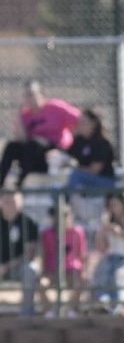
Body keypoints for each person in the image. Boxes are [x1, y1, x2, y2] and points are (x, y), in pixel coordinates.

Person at [0, 80, 80, 189]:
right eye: (26, 95)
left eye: (32, 94)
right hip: (33, 154)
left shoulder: (56, 107)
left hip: (54, 150)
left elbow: (80, 121)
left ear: (41, 94)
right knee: (12, 146)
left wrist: (72, 145)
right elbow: (22, 140)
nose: (29, 98)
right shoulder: (25, 115)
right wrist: (19, 115)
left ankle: (20, 183)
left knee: (35, 143)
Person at [39, 200, 88, 318]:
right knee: (41, 284)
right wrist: (43, 273)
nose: (63, 219)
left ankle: (71, 309)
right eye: (59, 216)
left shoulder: (77, 232)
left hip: (73, 271)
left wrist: (84, 270)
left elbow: (82, 255)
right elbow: (43, 255)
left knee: (82, 280)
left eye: (66, 215)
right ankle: (50, 312)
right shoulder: (46, 234)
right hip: (52, 272)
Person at [0, 188, 39, 317]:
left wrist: (6, 267)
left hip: (16, 268)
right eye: (6, 200)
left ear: (20, 202)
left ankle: (26, 315)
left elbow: (30, 254)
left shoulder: (28, 223)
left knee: (30, 269)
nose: (9, 203)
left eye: (13, 200)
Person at [62, 108, 118, 195]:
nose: (79, 125)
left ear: (93, 124)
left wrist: (73, 167)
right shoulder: (79, 141)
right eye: (79, 123)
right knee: (55, 188)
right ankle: (58, 207)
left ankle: (67, 205)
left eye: (83, 123)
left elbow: (94, 171)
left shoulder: (102, 143)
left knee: (75, 176)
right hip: (84, 180)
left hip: (104, 181)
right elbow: (67, 155)